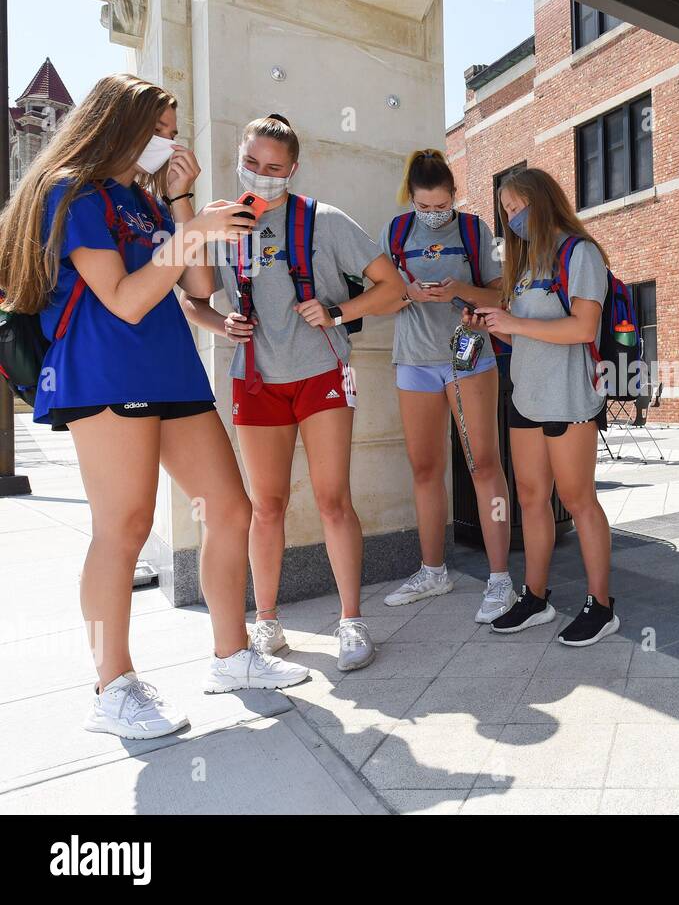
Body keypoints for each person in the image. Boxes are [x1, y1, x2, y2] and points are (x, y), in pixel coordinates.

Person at [0, 74, 308, 739]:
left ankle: (231, 656)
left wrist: (181, 202)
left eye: (172, 130)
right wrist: (193, 226)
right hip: (107, 373)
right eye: (161, 129)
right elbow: (127, 298)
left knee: (231, 507)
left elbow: (197, 284)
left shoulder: (141, 198)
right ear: (121, 125)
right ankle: (112, 687)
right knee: (125, 526)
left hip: (172, 369)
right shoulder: (71, 193)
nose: (170, 140)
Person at [180, 115, 405, 671]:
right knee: (267, 505)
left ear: (293, 170)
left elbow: (392, 287)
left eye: (274, 168)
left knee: (333, 500)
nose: (260, 176)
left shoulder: (323, 221)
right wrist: (220, 324)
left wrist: (338, 311)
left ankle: (352, 621)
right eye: (252, 163)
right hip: (255, 377)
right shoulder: (219, 224)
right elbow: (194, 299)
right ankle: (268, 623)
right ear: (239, 159)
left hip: (322, 372)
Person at [463, 167, 618, 646]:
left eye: (517, 207)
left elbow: (581, 329)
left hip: (569, 397)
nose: (512, 218)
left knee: (577, 500)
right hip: (526, 395)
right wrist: (493, 323)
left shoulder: (581, 253)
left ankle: (602, 605)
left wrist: (515, 322)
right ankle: (535, 597)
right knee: (530, 497)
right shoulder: (526, 264)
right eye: (506, 211)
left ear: (542, 201)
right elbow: (520, 334)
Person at [377, 150, 514, 622]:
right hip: (413, 362)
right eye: (424, 205)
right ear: (410, 198)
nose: (432, 214)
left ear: (454, 195)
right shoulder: (395, 232)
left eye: (440, 205)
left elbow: (501, 297)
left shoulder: (477, 231)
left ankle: (500, 580)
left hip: (469, 359)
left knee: (483, 466)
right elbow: (378, 300)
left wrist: (461, 291)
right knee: (424, 470)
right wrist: (407, 293)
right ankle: (433, 570)